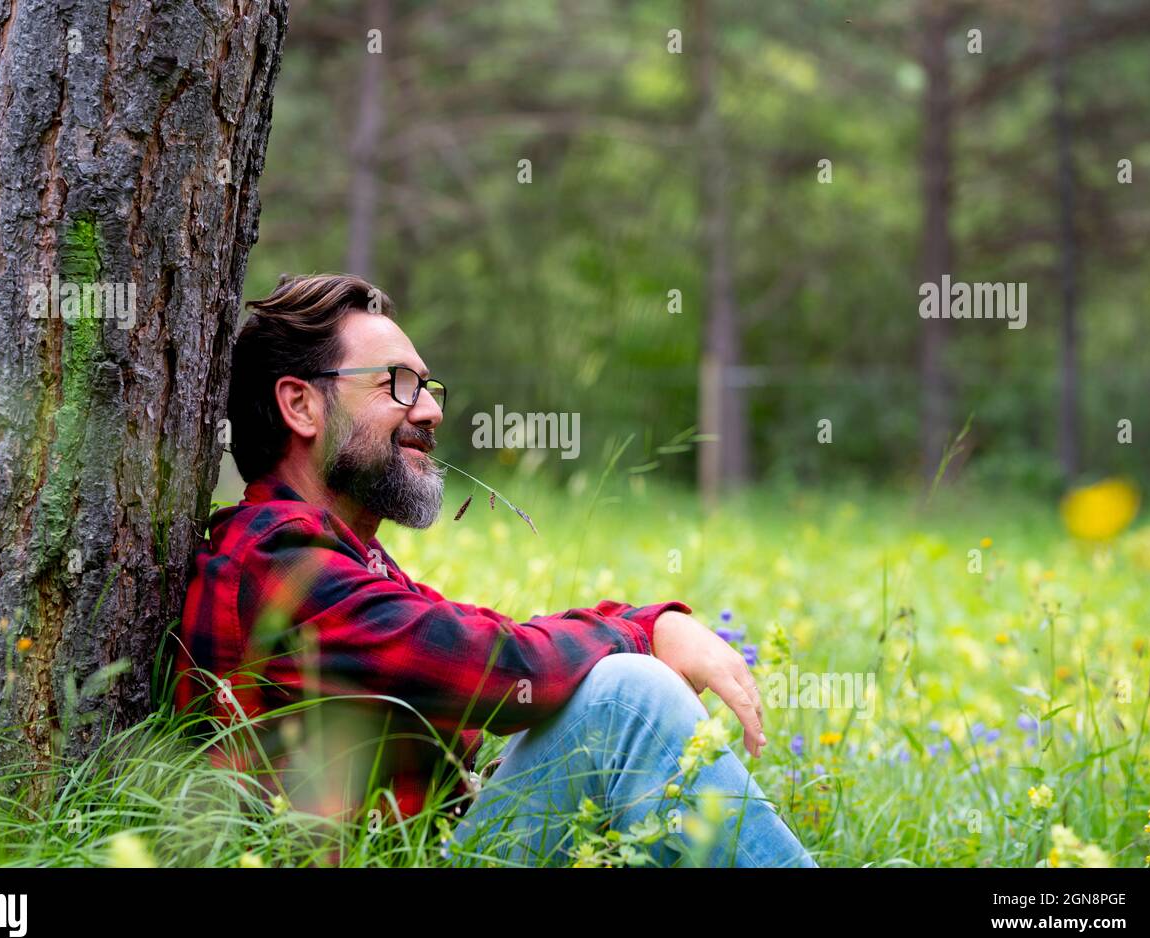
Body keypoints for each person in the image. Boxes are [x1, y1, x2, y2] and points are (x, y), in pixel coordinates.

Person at [175, 272, 816, 867]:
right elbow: (498, 666)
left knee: (599, 715)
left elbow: (468, 648)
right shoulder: (277, 564)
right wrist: (646, 631)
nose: (430, 410)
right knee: (628, 699)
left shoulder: (342, 558)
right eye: (397, 384)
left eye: (428, 387)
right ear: (302, 406)